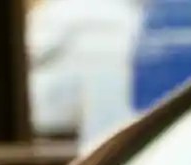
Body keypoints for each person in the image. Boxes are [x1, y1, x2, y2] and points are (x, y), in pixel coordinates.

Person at [27, 0, 147, 153]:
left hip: (61, 128)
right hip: (119, 132)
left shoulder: (62, 11)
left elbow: (22, 54)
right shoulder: (132, 15)